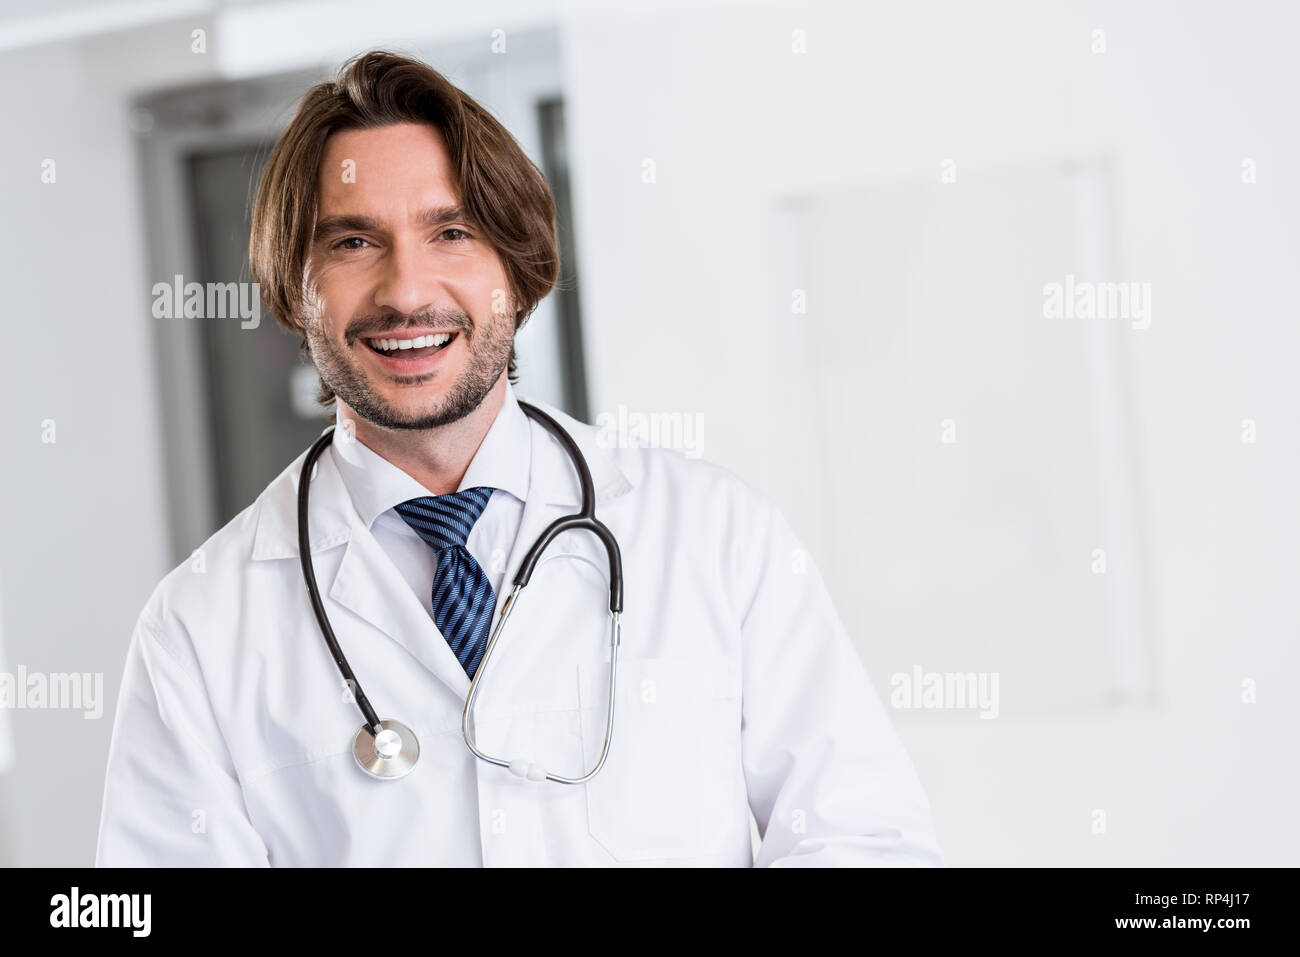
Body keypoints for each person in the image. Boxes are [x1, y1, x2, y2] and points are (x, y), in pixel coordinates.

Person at [95, 50, 942, 867]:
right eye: (353, 242)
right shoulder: (200, 629)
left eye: (451, 231)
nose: (406, 290)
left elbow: (864, 841)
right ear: (293, 284)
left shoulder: (715, 536)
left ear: (519, 264)